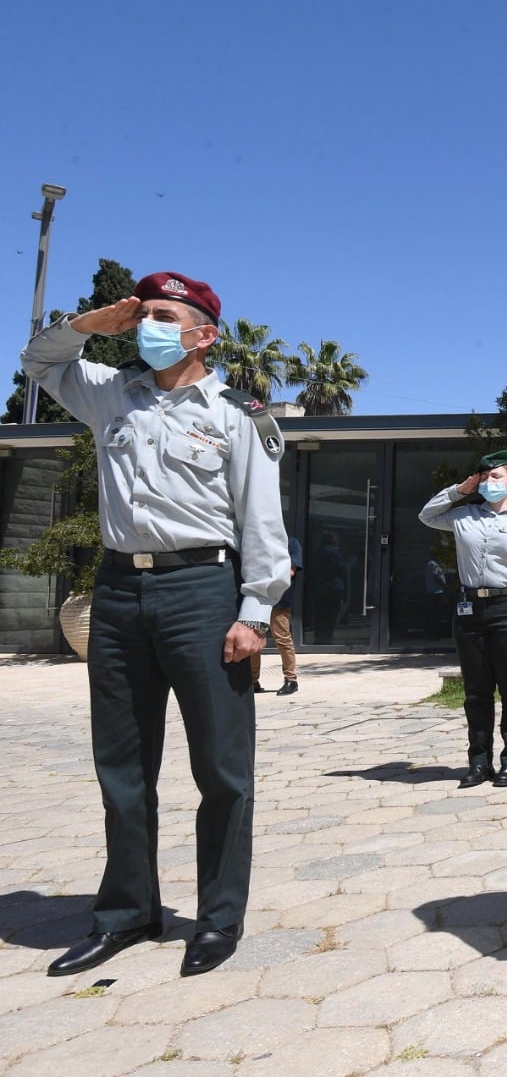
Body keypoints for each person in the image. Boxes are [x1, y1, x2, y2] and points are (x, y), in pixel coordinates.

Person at [22, 271, 290, 978]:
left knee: (222, 769)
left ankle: (218, 918)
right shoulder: (113, 393)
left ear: (205, 334)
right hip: (116, 591)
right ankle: (127, 912)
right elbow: (37, 362)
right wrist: (88, 326)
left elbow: (263, 520)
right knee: (122, 765)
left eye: (163, 315)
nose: (148, 325)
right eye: (143, 314)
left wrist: (254, 613)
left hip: (202, 589)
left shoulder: (239, 413)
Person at [419, 451, 507, 789]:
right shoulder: (464, 516)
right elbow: (427, 515)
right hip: (470, 609)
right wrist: (459, 489)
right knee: (476, 691)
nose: (489, 482)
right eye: (484, 477)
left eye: (496, 477)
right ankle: (479, 763)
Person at [250, 535, 302, 694]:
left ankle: (291, 680)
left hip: (279, 599)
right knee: (254, 638)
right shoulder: (259, 541)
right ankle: (252, 681)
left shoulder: (291, 542)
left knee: (282, 638)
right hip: (258, 598)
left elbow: (291, 571)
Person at [310, 530, 345, 644]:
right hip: (333, 587)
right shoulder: (333, 552)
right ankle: (327, 638)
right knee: (331, 614)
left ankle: (319, 637)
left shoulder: (317, 551)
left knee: (320, 613)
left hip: (320, 587)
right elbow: (341, 567)